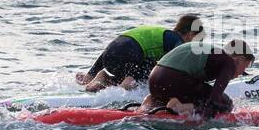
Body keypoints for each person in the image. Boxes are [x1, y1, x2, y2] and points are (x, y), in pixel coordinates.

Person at [75, 15, 203, 92]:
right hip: (128, 55)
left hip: (109, 57)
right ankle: (124, 86)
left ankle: (102, 77)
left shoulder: (160, 32)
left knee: (148, 66)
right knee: (157, 69)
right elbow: (180, 65)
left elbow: (113, 49)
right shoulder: (177, 40)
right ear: (191, 35)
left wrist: (90, 73)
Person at [141, 39, 254, 117]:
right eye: (245, 67)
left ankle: (152, 101)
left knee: (200, 92)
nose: (241, 73)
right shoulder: (229, 62)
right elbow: (214, 100)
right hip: (173, 81)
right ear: (239, 59)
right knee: (226, 102)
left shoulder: (214, 54)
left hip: (154, 82)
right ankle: (179, 106)